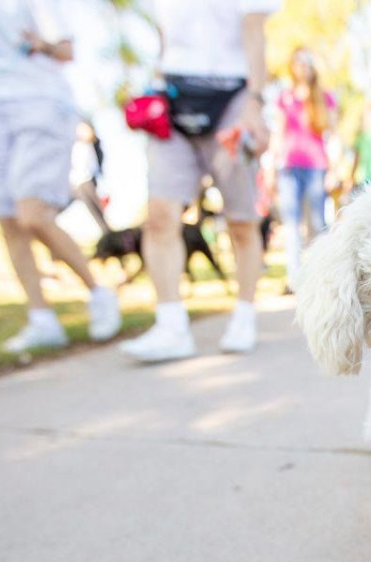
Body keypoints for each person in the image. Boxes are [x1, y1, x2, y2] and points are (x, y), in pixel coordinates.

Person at [0, 0, 121, 354]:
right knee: (8, 219)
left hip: (40, 103)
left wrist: (42, 45)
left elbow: (66, 50)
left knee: (32, 214)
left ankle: (99, 293)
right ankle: (41, 318)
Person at [119, 0, 277, 361]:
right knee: (159, 213)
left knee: (240, 220)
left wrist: (255, 102)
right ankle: (171, 325)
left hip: (233, 94)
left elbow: (254, 33)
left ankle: (244, 313)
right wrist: (153, 87)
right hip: (174, 94)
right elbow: (166, 39)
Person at [274, 48, 338, 289]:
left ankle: (321, 280)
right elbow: (278, 134)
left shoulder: (324, 98)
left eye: (307, 62)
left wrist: (333, 169)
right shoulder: (285, 97)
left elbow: (332, 135)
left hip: (316, 167)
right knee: (291, 225)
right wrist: (271, 166)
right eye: (298, 62)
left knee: (317, 223)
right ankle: (295, 280)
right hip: (289, 168)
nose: (302, 66)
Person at [71, 119, 110, 233]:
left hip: (88, 180)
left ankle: (108, 233)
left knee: (98, 208)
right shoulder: (74, 145)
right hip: (77, 182)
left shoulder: (89, 145)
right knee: (92, 210)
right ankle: (106, 233)